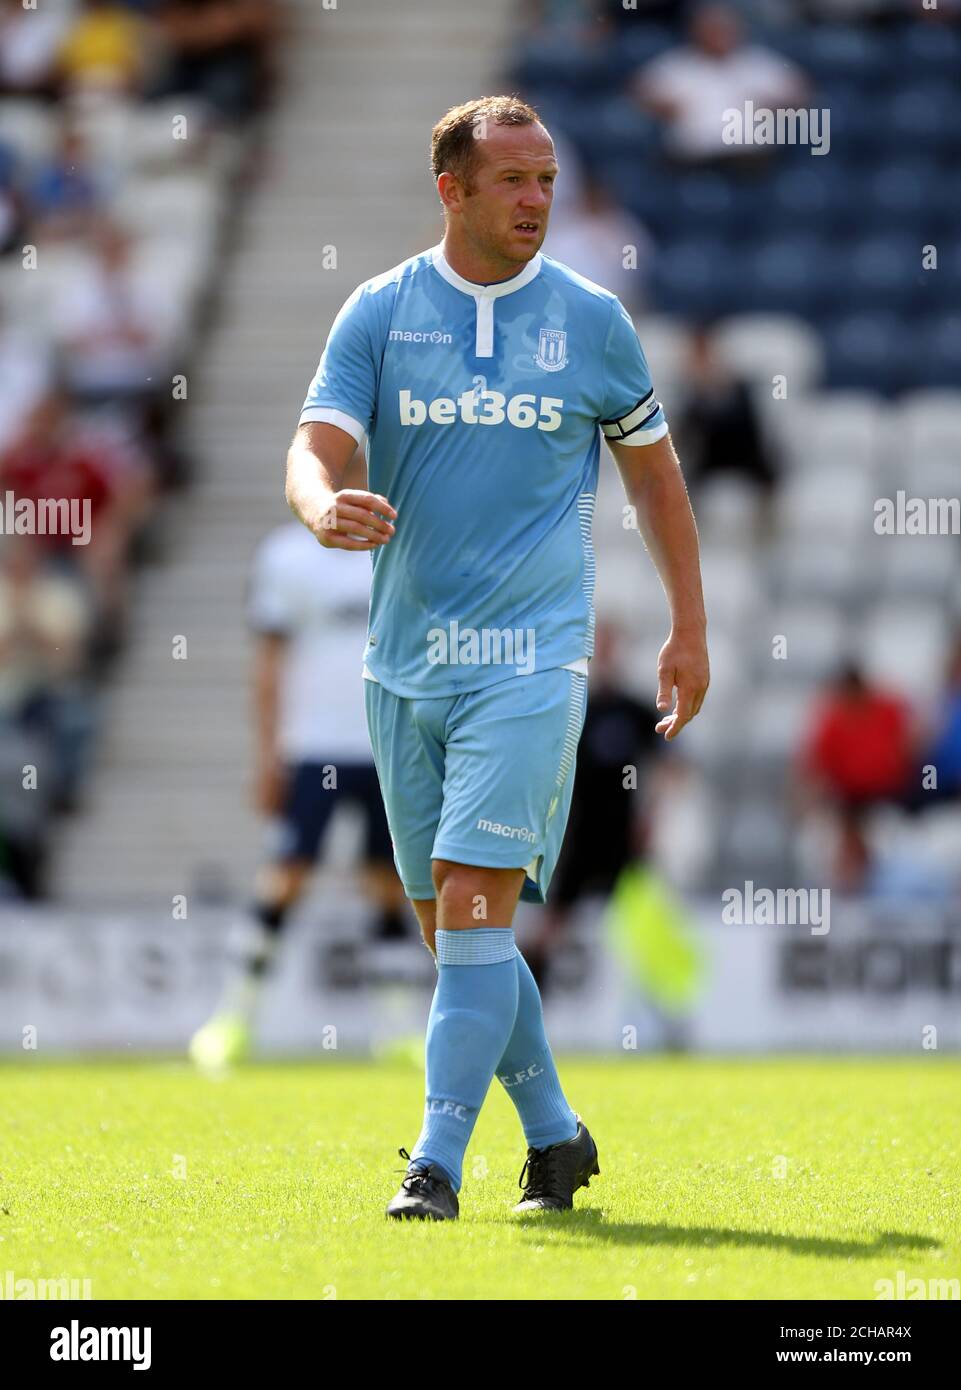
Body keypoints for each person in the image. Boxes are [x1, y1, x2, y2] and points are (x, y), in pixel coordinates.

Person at [284, 95, 709, 1220]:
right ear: (453, 191)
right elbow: (314, 443)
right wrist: (321, 505)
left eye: (547, 180)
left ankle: (433, 1163)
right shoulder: (379, 313)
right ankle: (559, 1137)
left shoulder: (591, 320)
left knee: (477, 908)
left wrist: (690, 626)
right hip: (403, 666)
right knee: (455, 936)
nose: (536, 200)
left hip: (530, 662)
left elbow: (656, 478)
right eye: (513, 181)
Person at [188, 496, 410, 1071]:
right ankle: (233, 1019)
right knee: (284, 878)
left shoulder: (398, 541)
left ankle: (399, 1029)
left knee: (390, 884)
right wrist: (268, 757)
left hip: (387, 744)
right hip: (312, 751)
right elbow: (268, 662)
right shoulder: (287, 555)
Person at [633, 2, 809, 172]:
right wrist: (661, 108)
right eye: (712, 29)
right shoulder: (675, 65)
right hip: (690, 157)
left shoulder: (761, 63)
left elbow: (801, 94)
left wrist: (776, 108)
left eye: (724, 29)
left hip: (749, 159)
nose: (719, 35)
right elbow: (638, 94)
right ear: (696, 32)